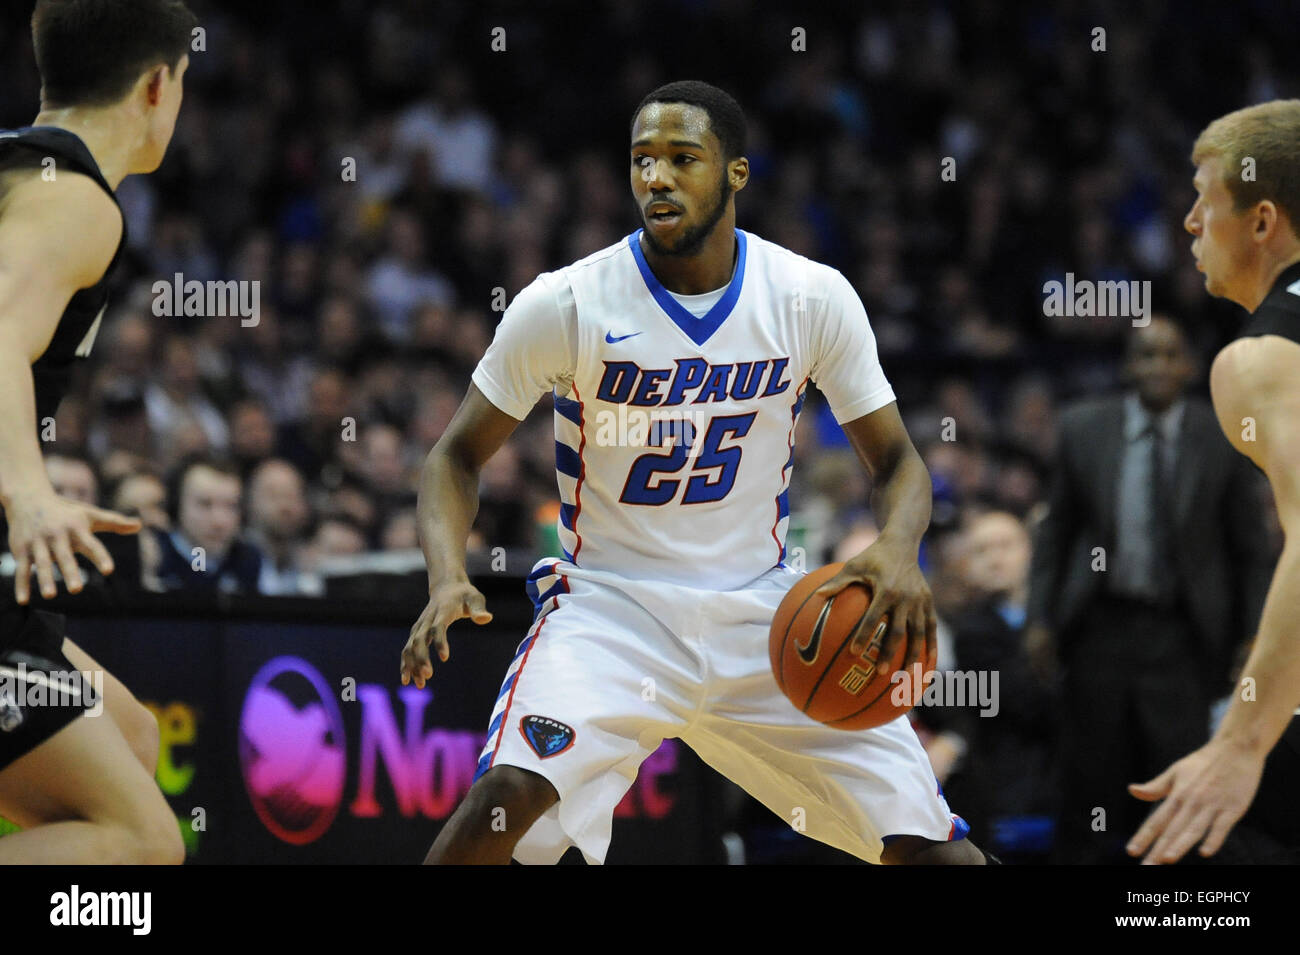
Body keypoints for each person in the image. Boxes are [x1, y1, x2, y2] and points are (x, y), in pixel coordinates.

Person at [401, 81, 989, 865]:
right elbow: (454, 456)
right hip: (613, 612)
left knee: (932, 850)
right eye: (643, 160)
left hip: (768, 618)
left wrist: (898, 548)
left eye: (683, 158)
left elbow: (897, 462)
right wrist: (446, 576)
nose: (657, 178)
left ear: (736, 174)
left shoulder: (811, 297)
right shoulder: (566, 303)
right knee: (505, 798)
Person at [0, 0, 195, 863]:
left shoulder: (23, 172)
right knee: (145, 846)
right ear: (158, 86)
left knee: (133, 741)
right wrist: (31, 494)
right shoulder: (79, 202)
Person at [1026, 314, 1271, 863]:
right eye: (1145, 354)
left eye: (1168, 354)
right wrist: (1039, 618)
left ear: (1189, 366)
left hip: (1183, 636)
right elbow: (1055, 534)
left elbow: (1252, 552)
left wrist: (1254, 634)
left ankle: (1176, 912)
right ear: (1126, 366)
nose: (1157, 365)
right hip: (1098, 629)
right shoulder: (1082, 428)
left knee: (1179, 779)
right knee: (1087, 785)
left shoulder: (1224, 434)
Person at [1127, 99, 1300, 864]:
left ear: (1262, 222)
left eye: (1205, 200)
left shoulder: (1258, 360)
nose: (1192, 223)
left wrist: (1240, 741)